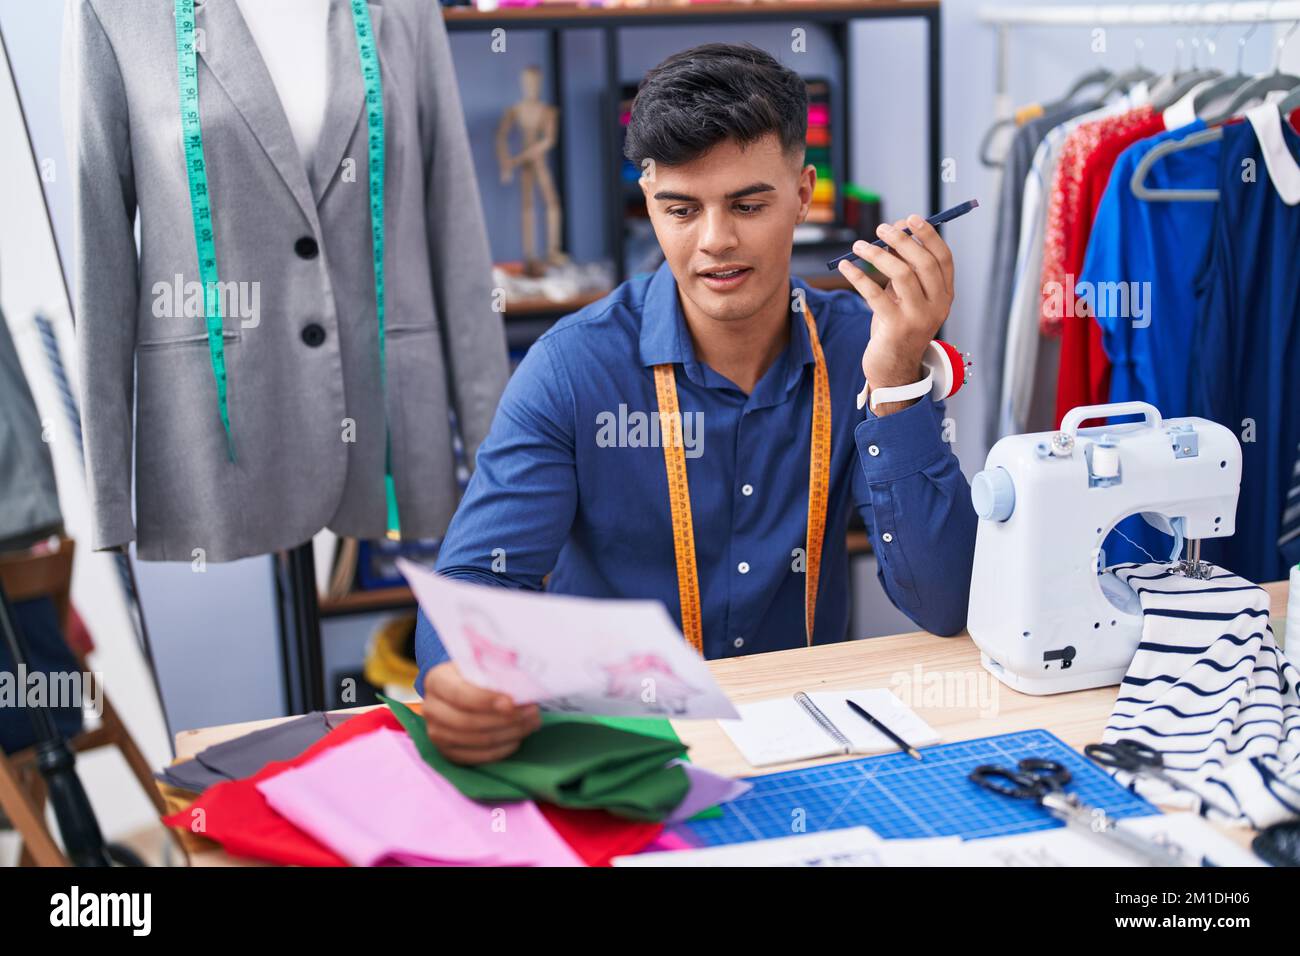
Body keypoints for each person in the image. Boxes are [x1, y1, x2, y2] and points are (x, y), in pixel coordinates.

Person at [415, 43, 977, 764]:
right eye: (681, 208)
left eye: (748, 204)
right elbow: (478, 580)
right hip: (621, 749)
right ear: (648, 199)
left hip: (807, 743)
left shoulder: (862, 351)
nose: (716, 242)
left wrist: (898, 377)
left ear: (805, 194)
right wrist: (455, 673)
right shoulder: (572, 367)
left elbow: (946, 602)